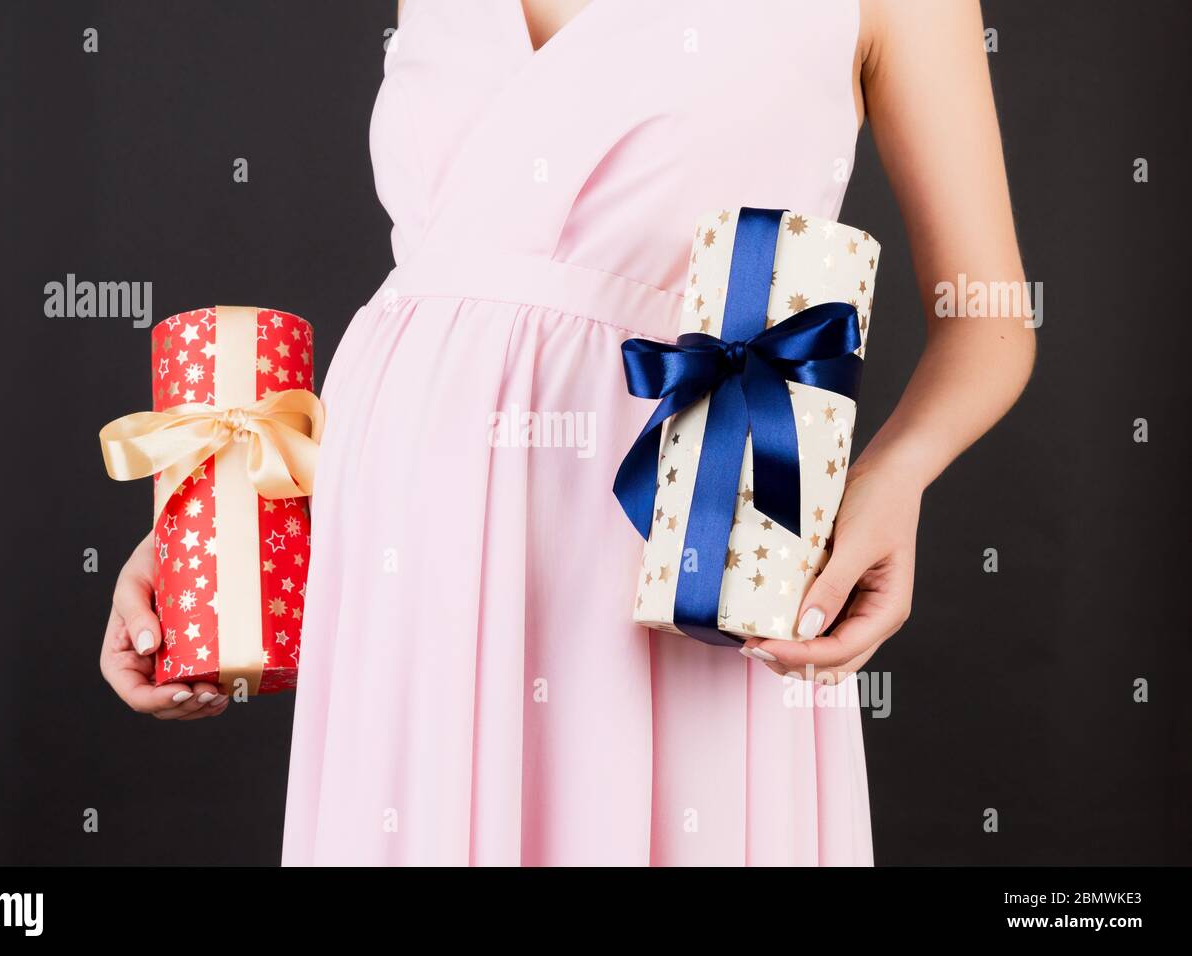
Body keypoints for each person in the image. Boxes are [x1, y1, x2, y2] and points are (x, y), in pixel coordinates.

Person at [101, 0, 1035, 865]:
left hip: (695, 530)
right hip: (407, 554)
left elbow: (989, 321)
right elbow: (457, 298)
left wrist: (894, 476)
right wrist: (221, 519)